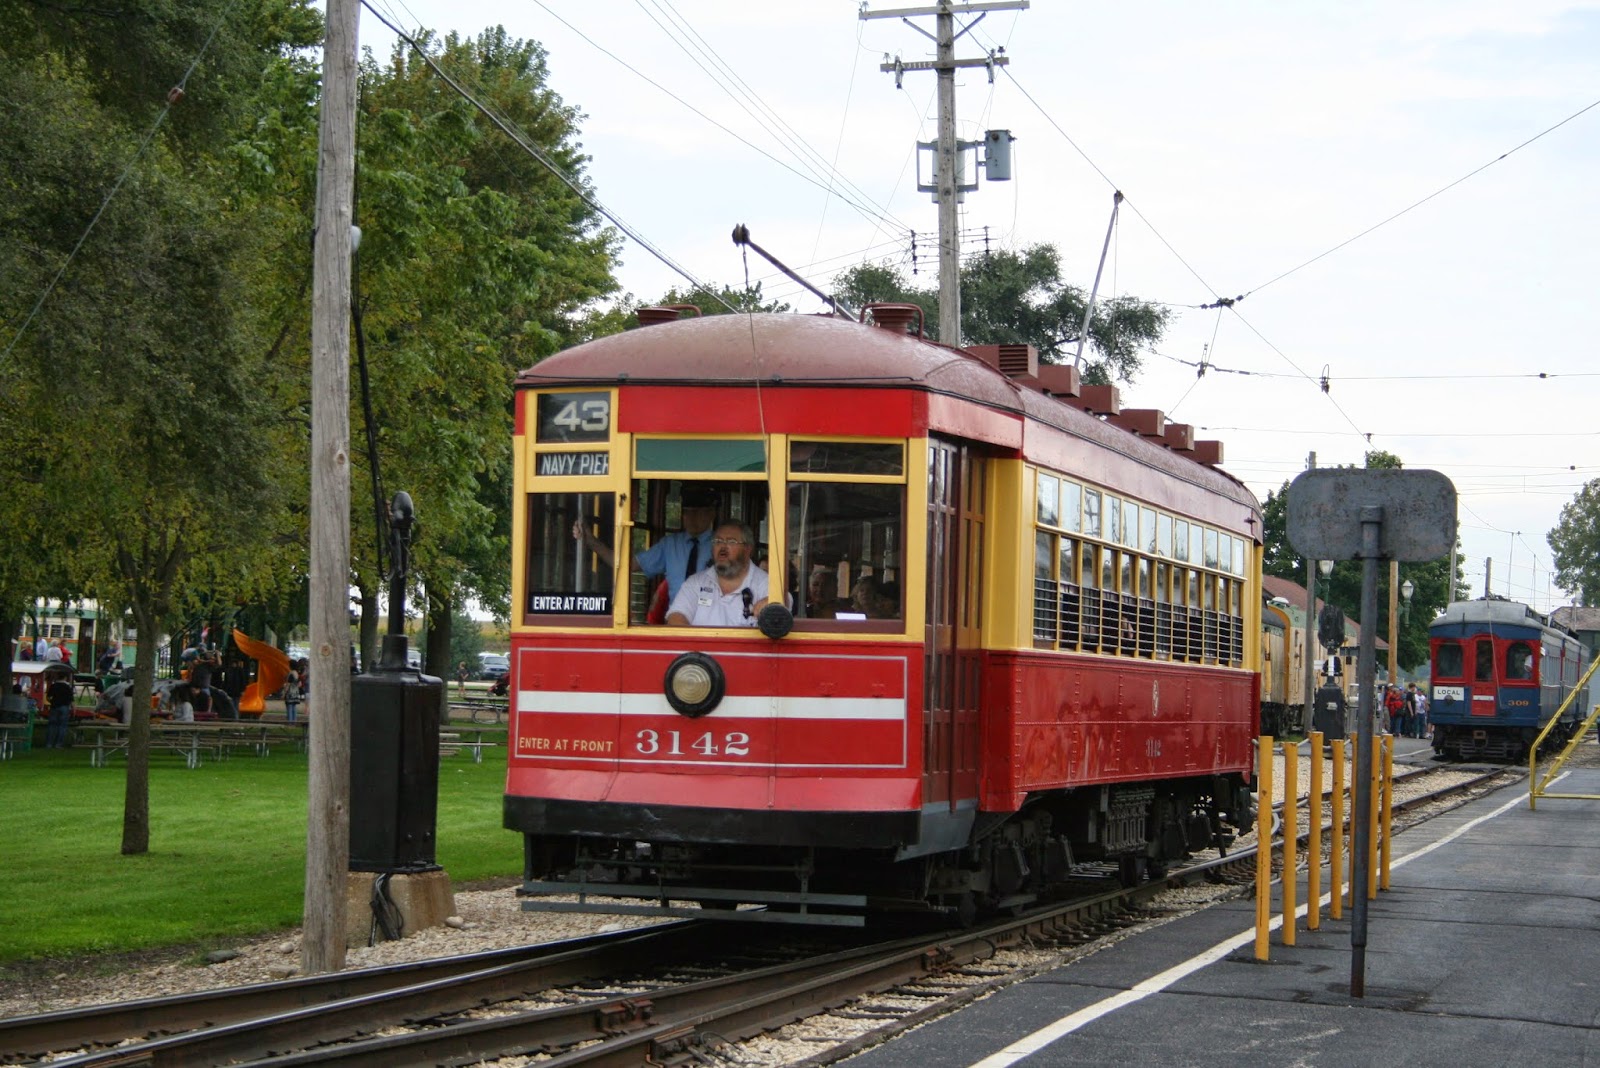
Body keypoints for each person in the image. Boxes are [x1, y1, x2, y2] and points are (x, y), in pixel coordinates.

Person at [573, 482, 719, 608]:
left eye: (698, 513)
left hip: (713, 624)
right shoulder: (670, 545)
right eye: (687, 513)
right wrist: (591, 541)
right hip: (677, 623)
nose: (691, 518)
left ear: (711, 514)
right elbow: (626, 565)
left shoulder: (721, 545)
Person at [666, 521, 770, 627]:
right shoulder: (696, 582)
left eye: (731, 542)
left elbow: (783, 602)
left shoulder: (765, 583)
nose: (723, 548)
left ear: (748, 549)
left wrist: (771, 603)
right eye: (718, 541)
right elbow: (676, 617)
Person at [44, 670, 75, 748]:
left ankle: (49, 743)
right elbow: (71, 700)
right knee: (62, 726)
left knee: (52, 725)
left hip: (54, 706)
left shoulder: (53, 686)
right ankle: (59, 744)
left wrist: (51, 701)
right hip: (64, 706)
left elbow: (48, 697)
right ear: (65, 678)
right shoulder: (67, 687)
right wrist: (73, 709)